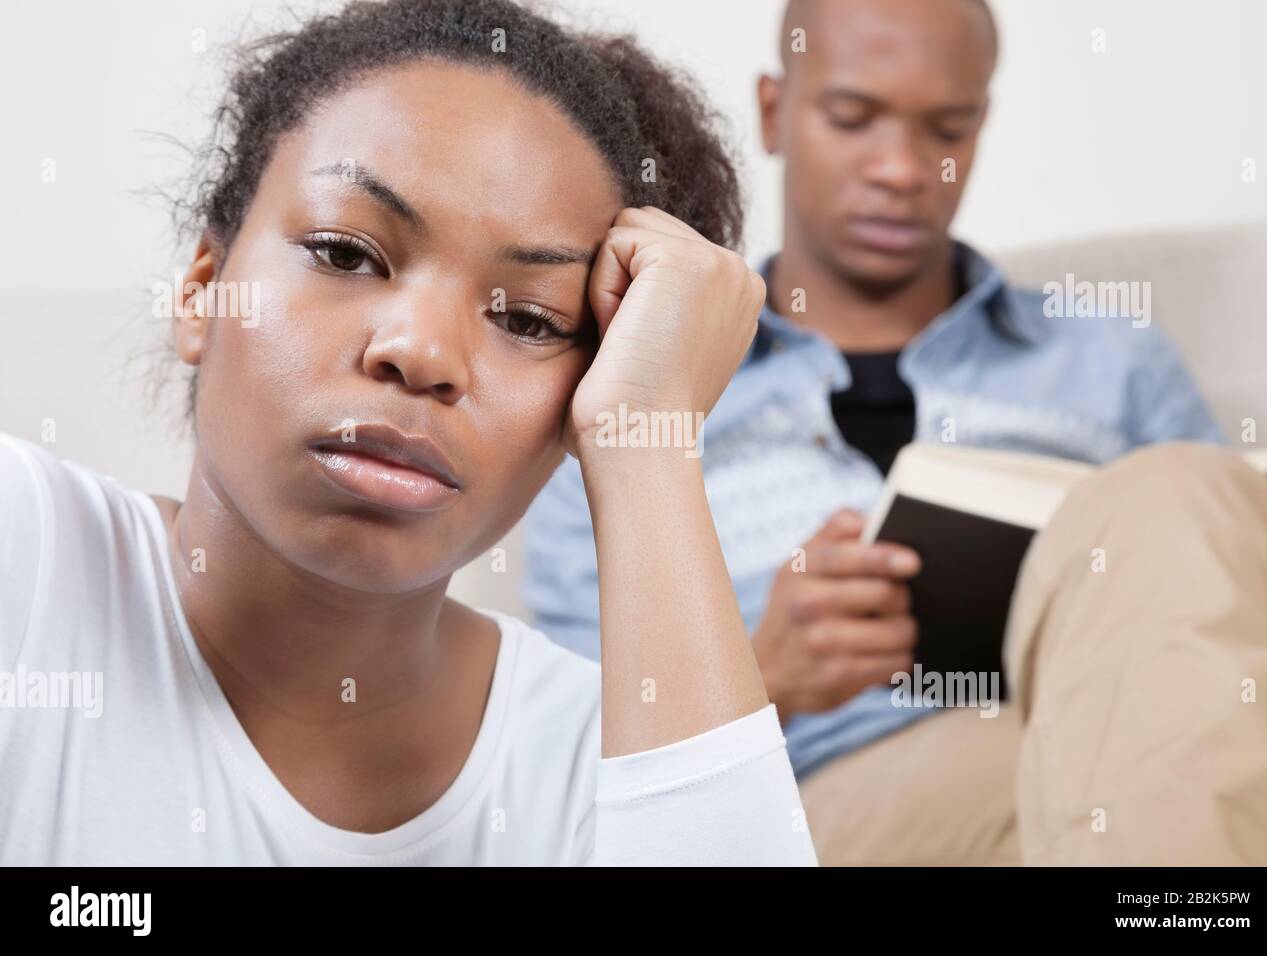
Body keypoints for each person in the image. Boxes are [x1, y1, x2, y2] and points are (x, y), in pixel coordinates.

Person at [0, 0, 818, 867]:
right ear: (203, 290)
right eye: (346, 254)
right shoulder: (31, 559)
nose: (424, 354)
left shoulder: (613, 767)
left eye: (532, 320)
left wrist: (648, 440)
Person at [522, 0, 1267, 863]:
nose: (901, 169)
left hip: (1145, 737)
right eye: (853, 118)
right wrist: (767, 673)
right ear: (773, 111)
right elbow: (573, 773)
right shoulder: (639, 389)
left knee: (1185, 501)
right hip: (843, 792)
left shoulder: (1111, 356)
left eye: (946, 129)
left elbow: (1242, 603)